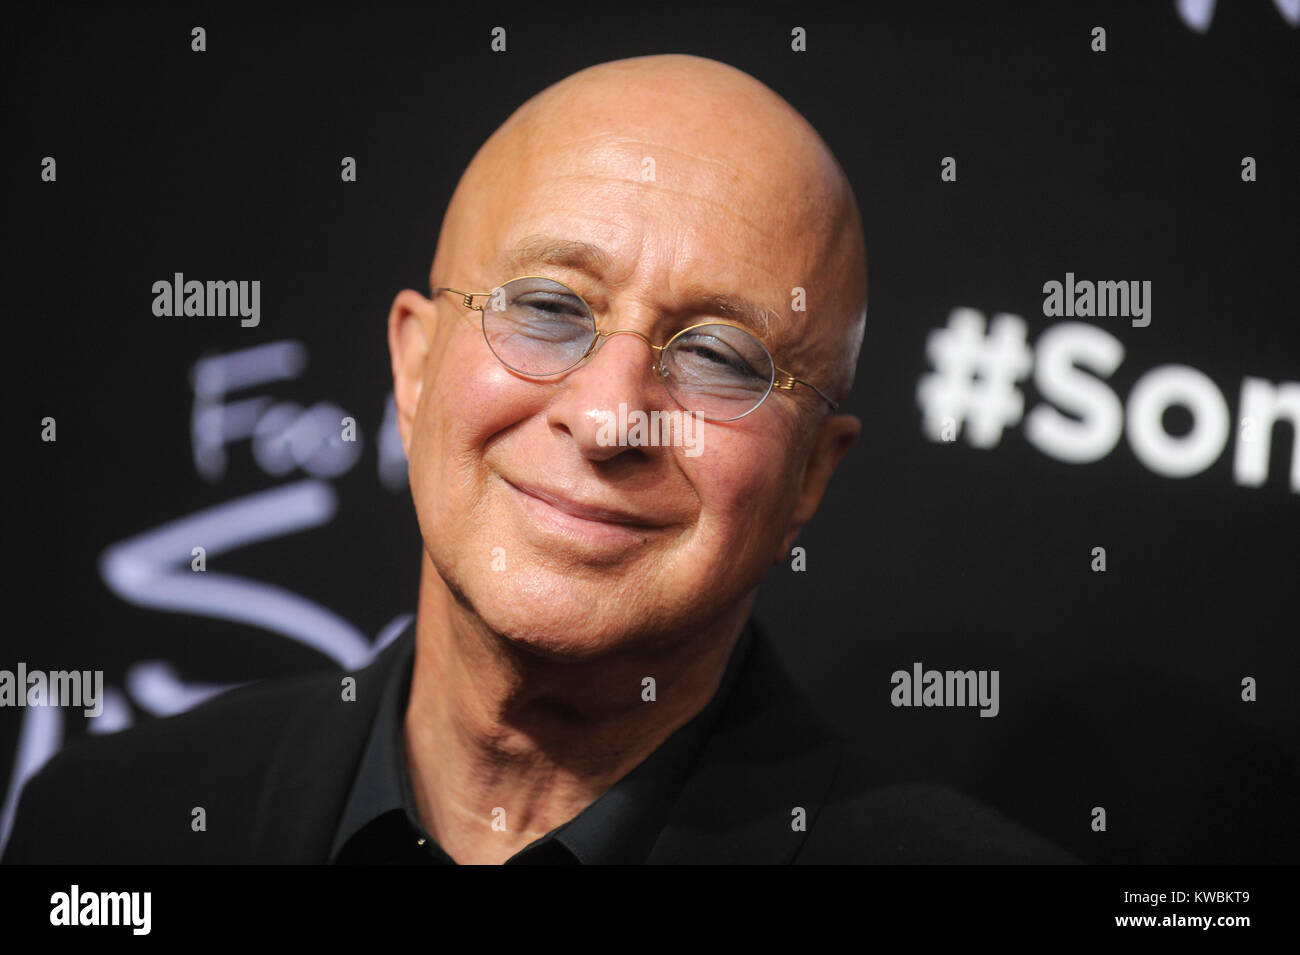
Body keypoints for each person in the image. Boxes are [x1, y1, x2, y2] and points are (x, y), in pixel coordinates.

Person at [2, 54, 1073, 865]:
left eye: (716, 356)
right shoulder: (109, 826)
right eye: (549, 308)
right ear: (414, 365)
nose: (610, 418)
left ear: (809, 477)